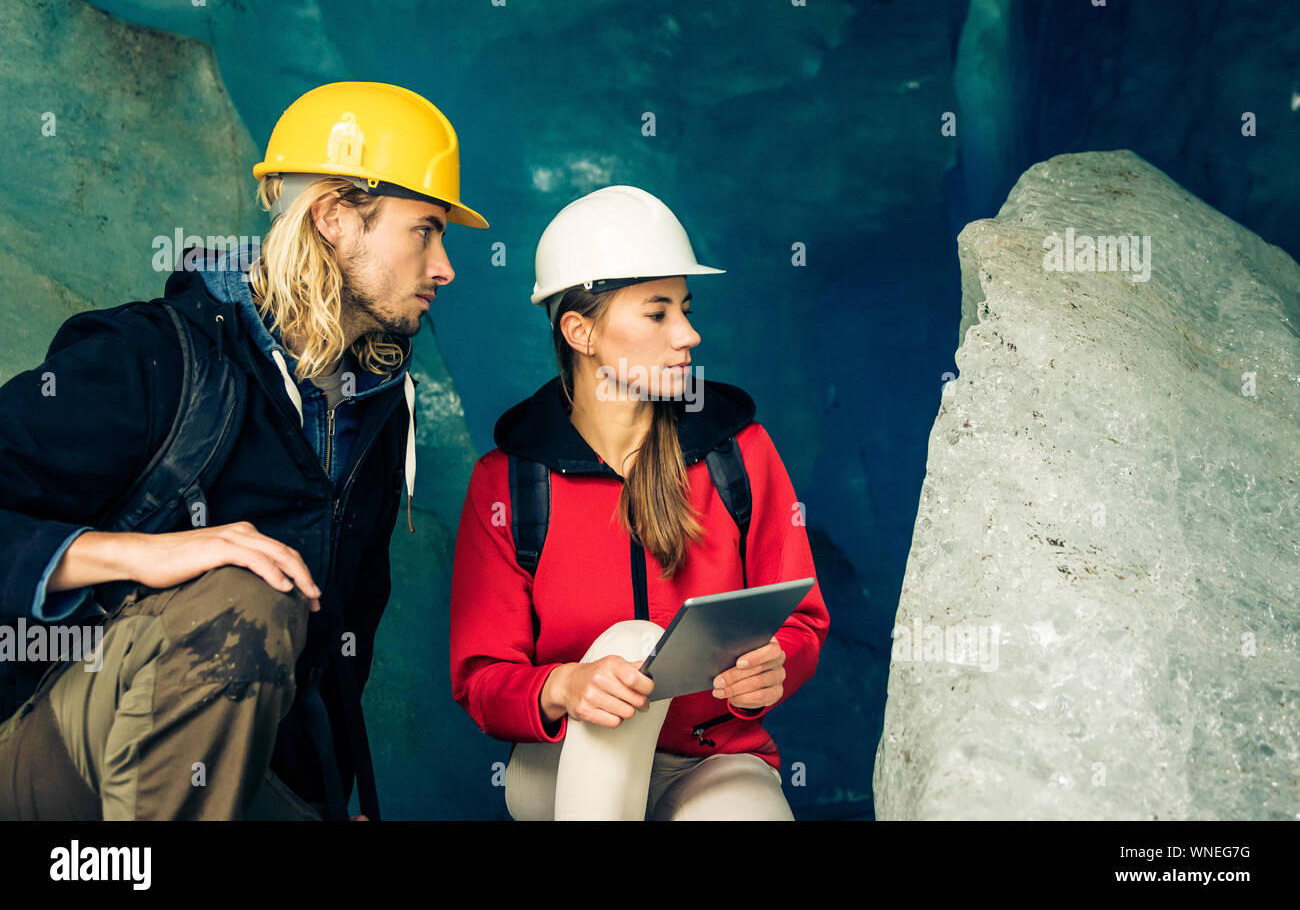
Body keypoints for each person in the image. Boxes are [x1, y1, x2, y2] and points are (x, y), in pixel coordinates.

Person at [0, 81, 488, 820]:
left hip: (208, 779)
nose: (445, 266)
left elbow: (332, 659)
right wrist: (136, 555)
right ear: (333, 218)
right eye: (425, 229)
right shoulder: (151, 359)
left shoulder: (374, 414)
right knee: (246, 594)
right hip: (45, 753)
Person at [449, 185, 829, 820]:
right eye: (657, 314)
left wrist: (777, 664)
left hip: (711, 759)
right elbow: (481, 679)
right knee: (629, 642)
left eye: (685, 307)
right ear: (580, 331)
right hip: (563, 762)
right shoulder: (508, 484)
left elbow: (803, 622)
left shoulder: (742, 452)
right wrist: (565, 684)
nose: (689, 334)